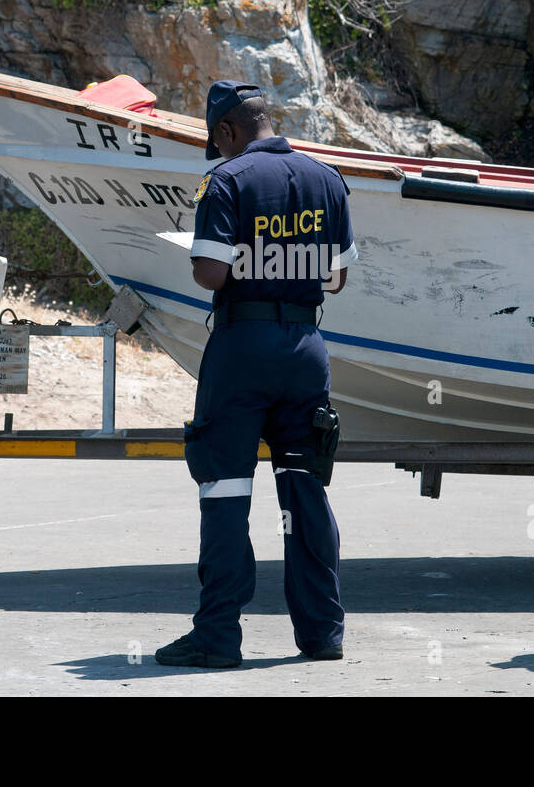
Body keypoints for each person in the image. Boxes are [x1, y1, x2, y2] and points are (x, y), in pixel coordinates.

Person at [155, 81, 358, 668]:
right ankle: (322, 634)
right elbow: (337, 279)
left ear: (226, 132)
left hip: (243, 349)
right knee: (305, 492)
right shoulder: (327, 178)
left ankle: (218, 637)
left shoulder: (227, 181)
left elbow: (211, 274)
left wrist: (224, 254)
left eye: (215, 142)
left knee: (225, 493)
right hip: (304, 348)